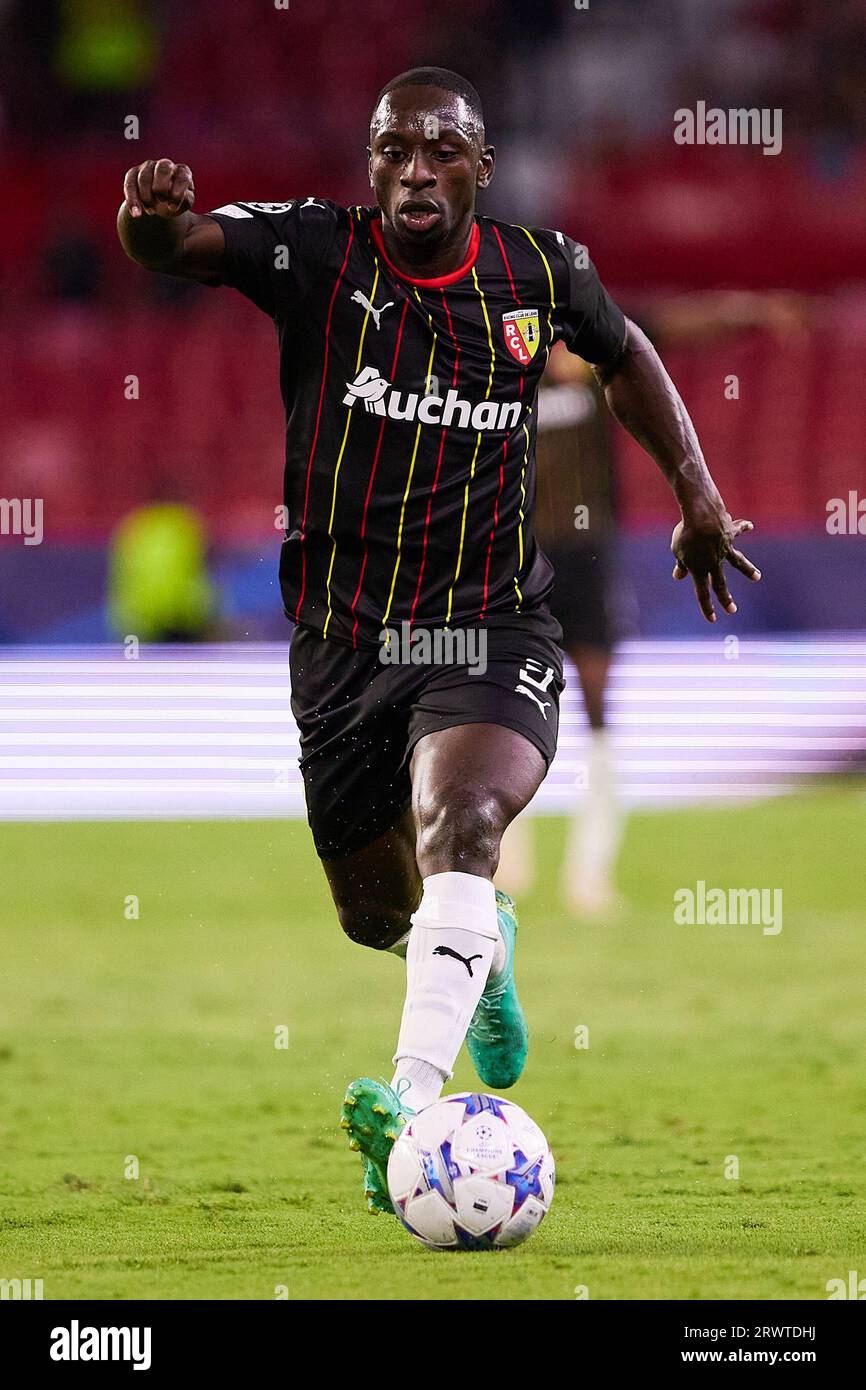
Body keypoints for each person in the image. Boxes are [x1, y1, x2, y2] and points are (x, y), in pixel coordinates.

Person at [117, 67, 761, 1216]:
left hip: (486, 620)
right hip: (340, 643)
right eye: (393, 150)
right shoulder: (316, 253)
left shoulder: (539, 271)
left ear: (481, 167)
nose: (415, 169)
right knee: (376, 911)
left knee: (463, 824)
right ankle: (489, 948)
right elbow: (178, 248)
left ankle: (412, 1110)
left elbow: (625, 355)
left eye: (440, 151)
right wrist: (147, 221)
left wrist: (696, 493)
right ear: (372, 164)